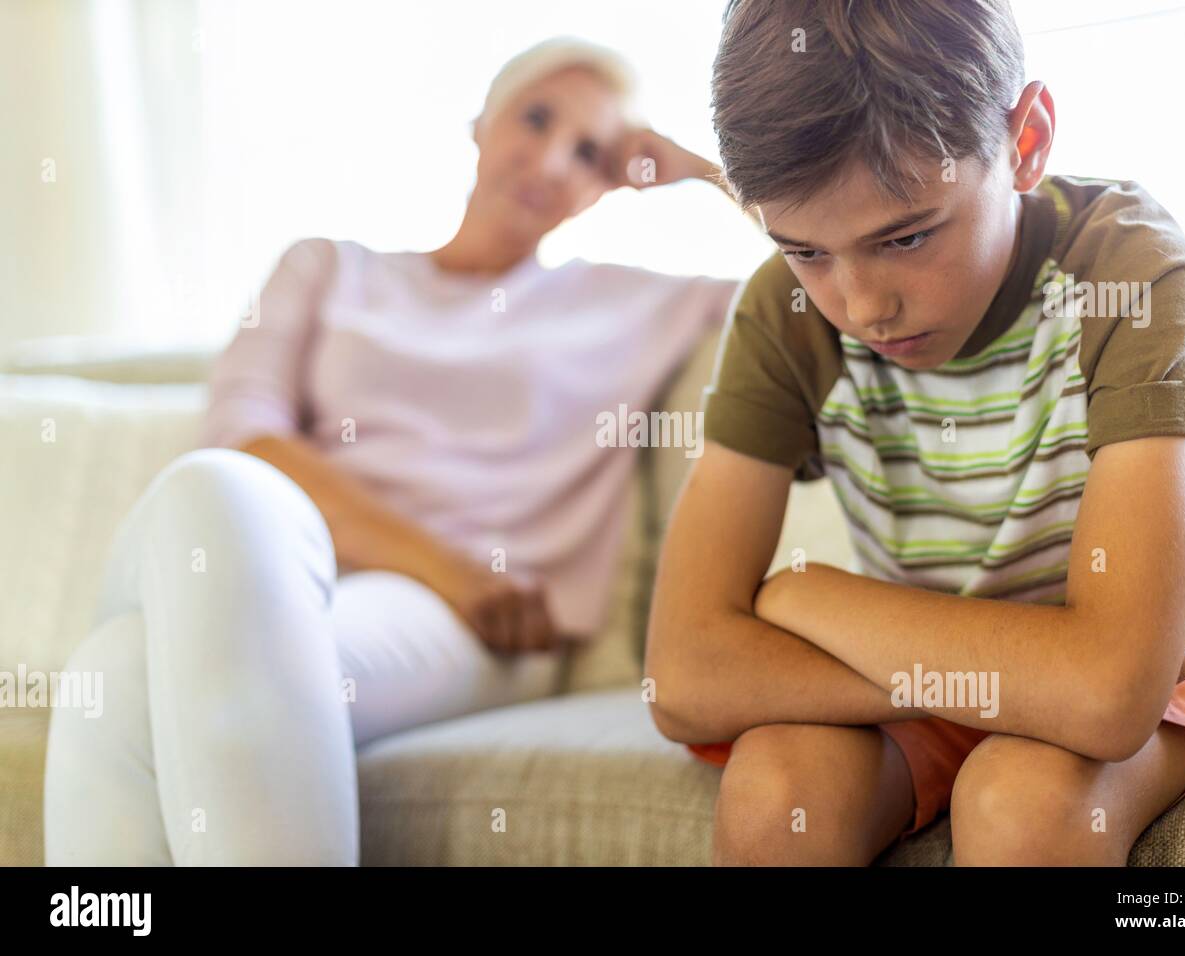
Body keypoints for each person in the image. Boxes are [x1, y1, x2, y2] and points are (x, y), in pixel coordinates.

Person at [43, 36, 743, 865]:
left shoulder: (625, 304)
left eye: (591, 152)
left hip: (474, 630)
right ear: (481, 124)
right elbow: (243, 433)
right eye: (537, 119)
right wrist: (445, 564)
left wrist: (708, 172)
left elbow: (823, 273)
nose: (553, 159)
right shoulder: (327, 269)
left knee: (120, 677)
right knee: (213, 491)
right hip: (302, 566)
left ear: (611, 182)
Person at [646, 0, 1185, 866]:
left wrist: (808, 599)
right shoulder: (787, 310)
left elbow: (1114, 693)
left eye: (907, 235)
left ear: (1025, 140)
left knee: (1022, 800)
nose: (861, 307)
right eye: (805, 250)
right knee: (776, 792)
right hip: (959, 655)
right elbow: (684, 673)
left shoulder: (1131, 269)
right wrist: (1025, 682)